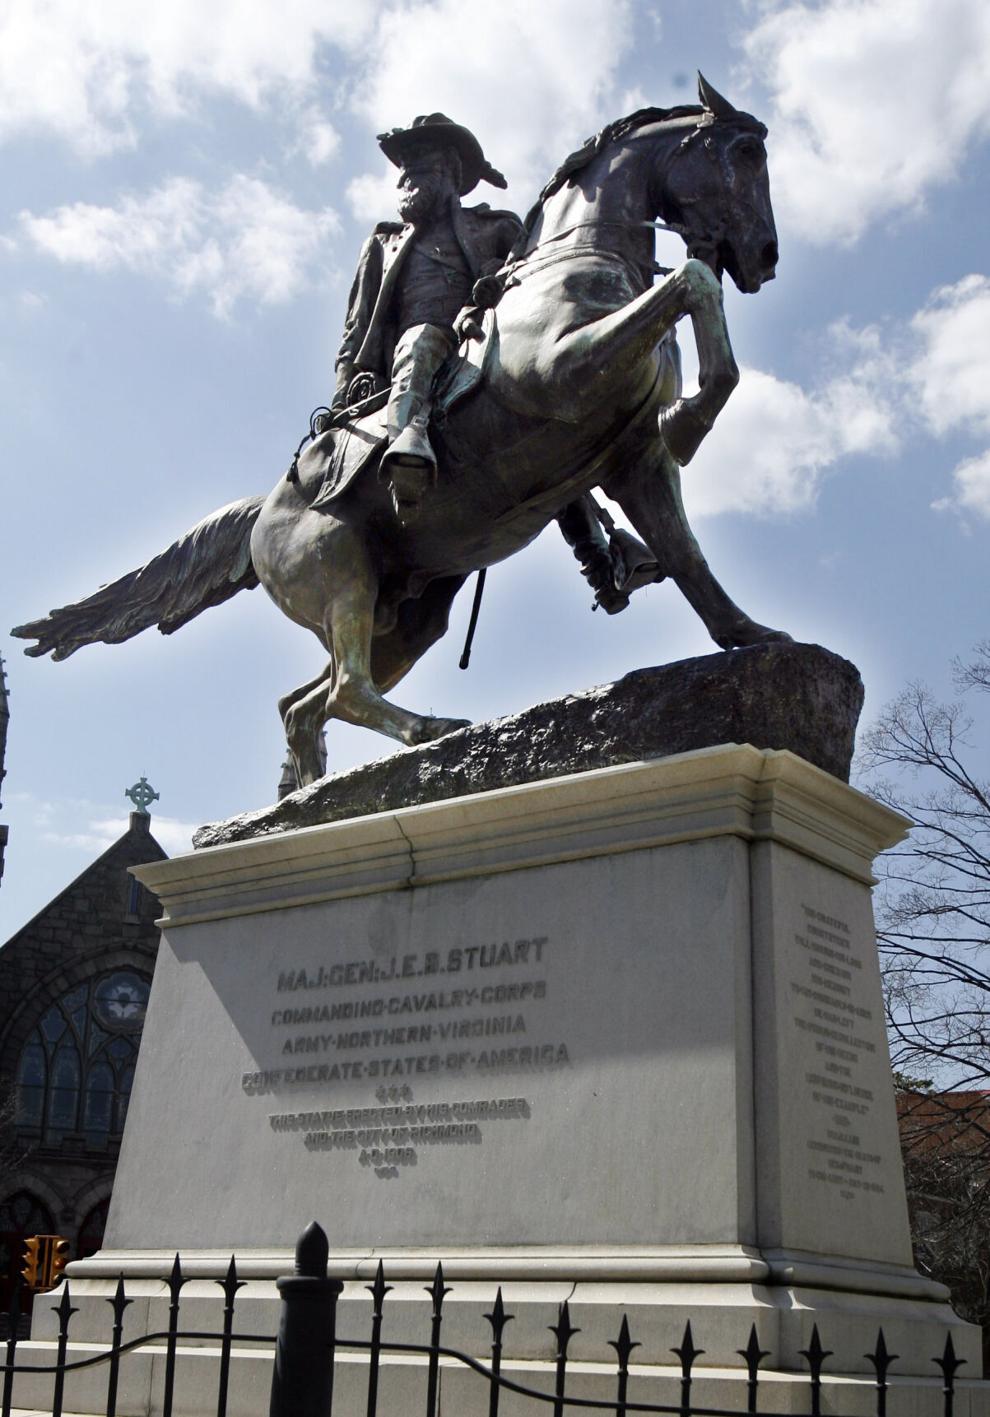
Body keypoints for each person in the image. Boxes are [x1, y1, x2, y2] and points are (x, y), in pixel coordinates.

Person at [333, 113, 658, 610]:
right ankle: (408, 444)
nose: (406, 176)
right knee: (420, 340)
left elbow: (536, 288)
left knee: (547, 426)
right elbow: (357, 329)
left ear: (450, 174)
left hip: (485, 346)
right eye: (403, 168)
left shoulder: (497, 228)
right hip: (409, 363)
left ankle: (603, 562)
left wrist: (494, 285)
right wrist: (345, 392)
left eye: (420, 166)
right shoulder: (383, 243)